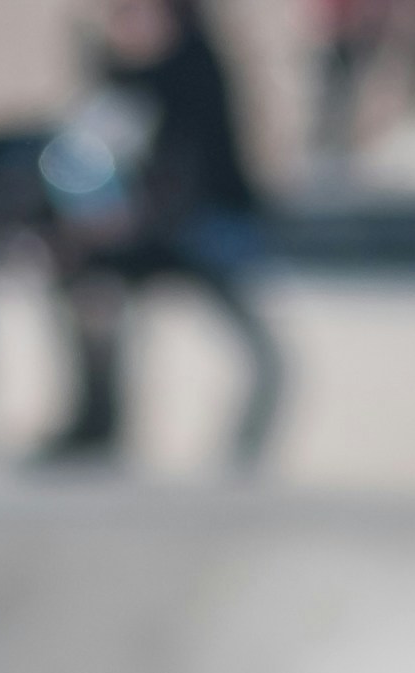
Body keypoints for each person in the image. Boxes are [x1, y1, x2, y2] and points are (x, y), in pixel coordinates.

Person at [29, 0, 279, 475]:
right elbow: (88, 159)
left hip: (204, 226)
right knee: (84, 286)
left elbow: (196, 170)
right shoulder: (116, 78)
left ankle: (243, 452)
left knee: (260, 351)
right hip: (139, 233)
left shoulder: (196, 73)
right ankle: (96, 421)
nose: (131, 26)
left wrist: (131, 219)